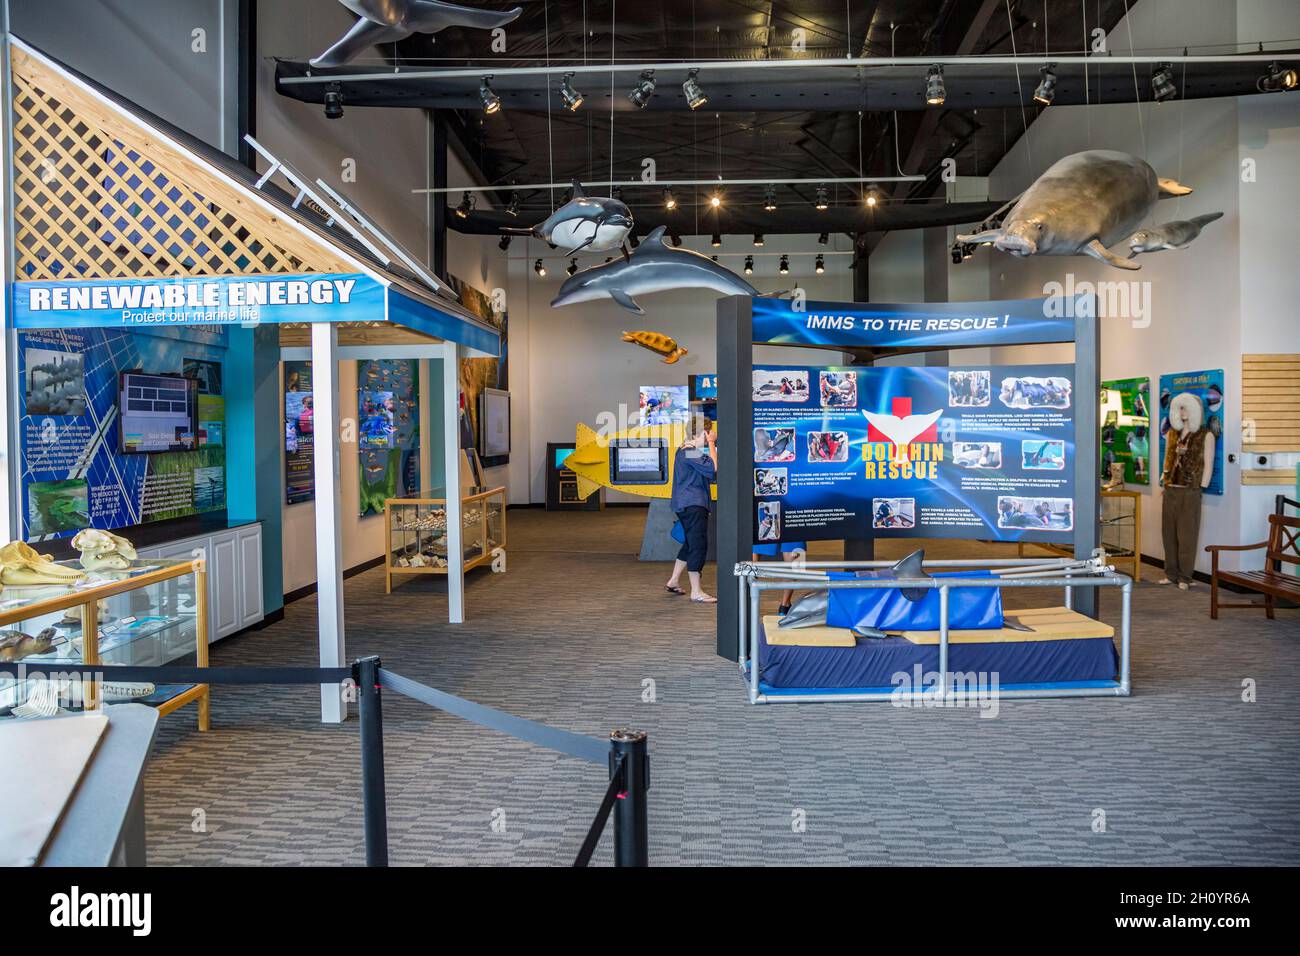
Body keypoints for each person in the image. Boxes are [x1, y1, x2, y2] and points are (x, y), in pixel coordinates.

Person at [665, 426, 718, 603]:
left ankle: (673, 580)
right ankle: (696, 591)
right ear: (702, 432)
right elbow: (713, 469)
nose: (712, 435)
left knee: (689, 543)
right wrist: (711, 443)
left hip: (687, 504)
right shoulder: (690, 451)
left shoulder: (684, 450)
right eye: (709, 432)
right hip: (693, 504)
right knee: (698, 545)